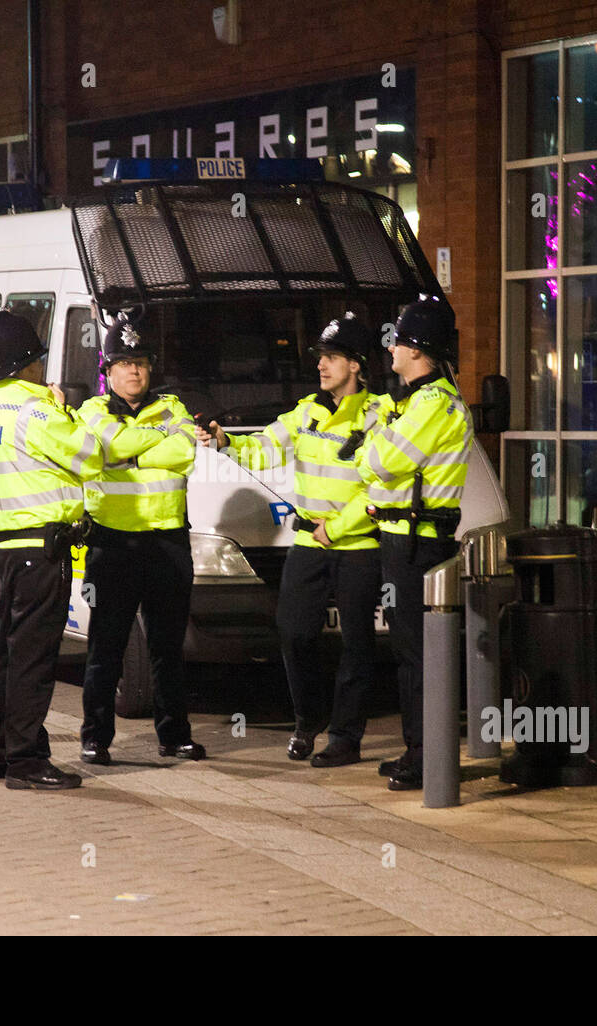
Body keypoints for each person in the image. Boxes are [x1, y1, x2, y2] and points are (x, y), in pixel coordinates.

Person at [197, 312, 388, 768]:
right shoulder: (306, 411)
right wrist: (225, 442)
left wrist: (337, 529)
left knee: (357, 646)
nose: (322, 365)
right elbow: (264, 446)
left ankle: (345, 737)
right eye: (320, 357)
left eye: (333, 357)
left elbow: (381, 485)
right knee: (294, 632)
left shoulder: (381, 414)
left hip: (357, 545)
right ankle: (309, 718)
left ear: (357, 364)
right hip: (310, 544)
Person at [0, 309, 103, 791]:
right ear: (29, 365)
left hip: (5, 547)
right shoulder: (36, 409)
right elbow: (91, 456)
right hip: (43, 549)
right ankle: (25, 762)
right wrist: (62, 408)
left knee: (6, 651)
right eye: (40, 361)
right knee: (33, 657)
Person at [77, 313, 205, 765]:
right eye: (125, 363)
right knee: (106, 647)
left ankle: (174, 735)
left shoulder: (175, 407)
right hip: (113, 545)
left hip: (167, 543)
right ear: (107, 372)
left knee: (168, 648)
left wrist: (131, 446)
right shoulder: (90, 412)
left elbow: (186, 451)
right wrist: (154, 442)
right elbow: (105, 447)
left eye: (142, 363)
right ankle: (95, 738)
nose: (135, 371)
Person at [358, 295, 472, 791]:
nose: (391, 351)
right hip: (403, 538)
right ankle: (417, 750)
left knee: (421, 655)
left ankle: (429, 756)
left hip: (418, 545)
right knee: (410, 654)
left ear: (418, 349)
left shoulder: (430, 402)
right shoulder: (419, 400)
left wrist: (373, 439)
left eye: (399, 342)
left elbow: (381, 461)